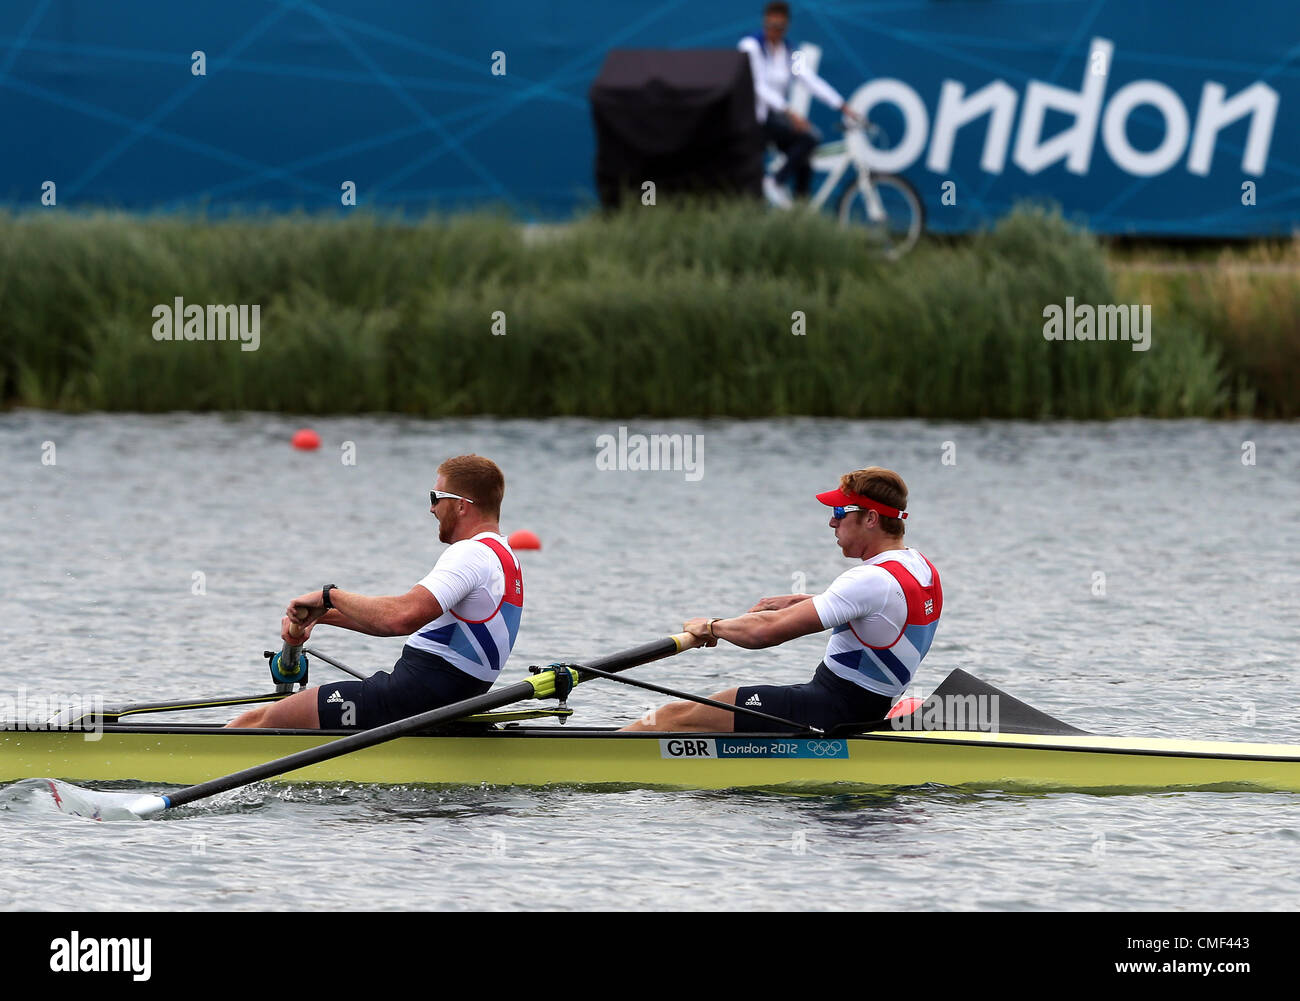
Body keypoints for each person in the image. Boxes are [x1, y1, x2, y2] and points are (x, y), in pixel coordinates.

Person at [623, 467, 940, 734]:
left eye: (840, 513)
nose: (832, 522)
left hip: (829, 710)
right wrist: (802, 602)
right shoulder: (920, 568)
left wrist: (710, 627)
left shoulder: (869, 580)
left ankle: (589, 757)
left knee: (670, 718)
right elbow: (881, 614)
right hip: (866, 708)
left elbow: (764, 633)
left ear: (871, 518)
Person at [227, 454, 523, 730]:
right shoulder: (504, 558)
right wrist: (322, 616)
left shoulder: (469, 555)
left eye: (435, 497)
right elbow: (408, 618)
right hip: (447, 702)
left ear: (461, 505)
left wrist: (329, 595)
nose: (431, 508)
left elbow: (398, 618)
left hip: (407, 701)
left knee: (261, 720)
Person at [740, 1, 859, 206]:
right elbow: (758, 86)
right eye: (770, 25)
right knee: (810, 137)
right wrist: (790, 113)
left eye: (780, 27)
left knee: (805, 159)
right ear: (764, 22)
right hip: (755, 119)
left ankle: (799, 212)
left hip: (775, 119)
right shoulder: (750, 46)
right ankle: (775, 182)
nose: (774, 31)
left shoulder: (790, 51)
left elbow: (810, 79)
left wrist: (841, 105)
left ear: (786, 26)